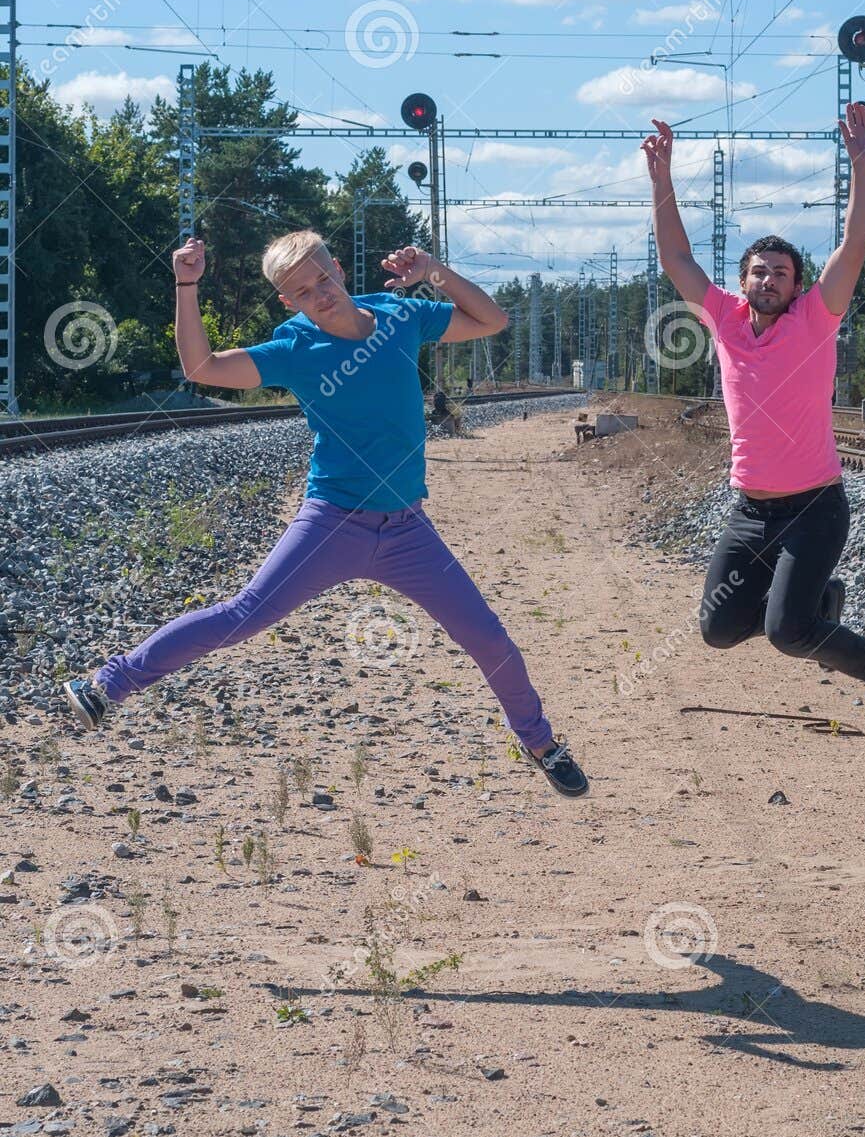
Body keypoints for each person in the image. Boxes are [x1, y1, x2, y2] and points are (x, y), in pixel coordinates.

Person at [62, 231, 589, 796]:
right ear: (287, 301)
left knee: (488, 638)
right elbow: (201, 367)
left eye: (323, 280)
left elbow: (492, 320)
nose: (320, 295)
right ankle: (107, 684)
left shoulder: (401, 315)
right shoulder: (295, 348)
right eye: (303, 292)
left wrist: (433, 271)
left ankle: (540, 742)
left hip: (407, 530)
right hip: (332, 524)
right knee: (240, 615)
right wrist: (186, 285)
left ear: (338, 268)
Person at [641, 105, 865, 745]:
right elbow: (675, 255)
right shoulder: (725, 320)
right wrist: (662, 178)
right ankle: (815, 603)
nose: (769, 279)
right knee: (717, 630)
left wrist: (863, 162)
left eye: (781, 273)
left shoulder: (816, 318)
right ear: (742, 282)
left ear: (797, 285)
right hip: (750, 512)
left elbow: (854, 247)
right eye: (759, 271)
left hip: (814, 508)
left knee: (789, 634)